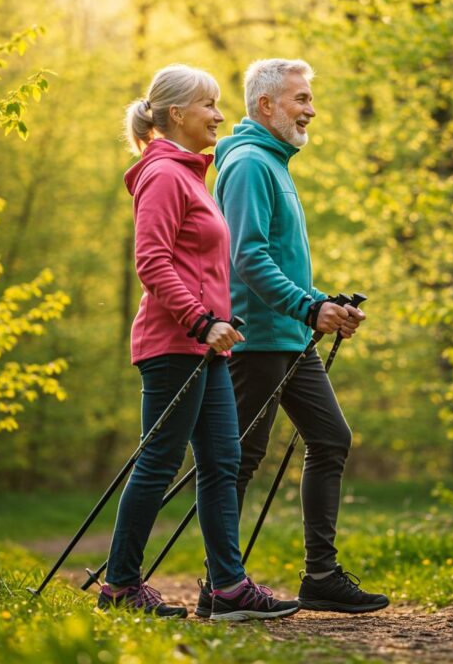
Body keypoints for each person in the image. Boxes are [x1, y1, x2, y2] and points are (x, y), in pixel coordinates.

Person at [97, 64, 299, 621]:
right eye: (208, 105)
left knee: (221, 462)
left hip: (207, 347)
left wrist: (215, 327)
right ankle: (120, 586)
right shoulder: (163, 175)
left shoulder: (190, 176)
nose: (218, 114)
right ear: (176, 113)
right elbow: (152, 261)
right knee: (159, 462)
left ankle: (229, 587)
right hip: (174, 343)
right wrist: (201, 321)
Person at [196, 58, 389, 615]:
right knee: (239, 460)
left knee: (330, 439)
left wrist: (325, 302)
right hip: (256, 339)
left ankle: (320, 576)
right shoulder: (249, 164)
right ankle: (221, 586)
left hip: (289, 336)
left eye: (309, 99)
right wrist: (308, 307)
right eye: (300, 99)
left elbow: (277, 259)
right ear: (266, 105)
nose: (311, 110)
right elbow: (248, 257)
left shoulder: (273, 163)